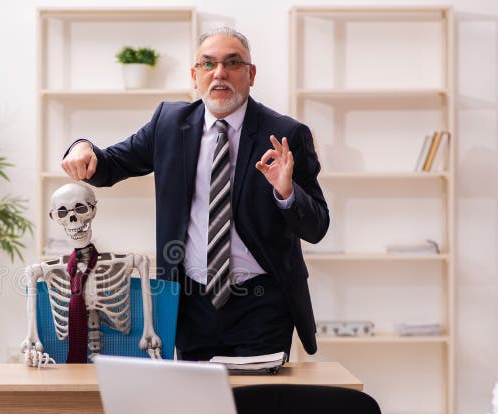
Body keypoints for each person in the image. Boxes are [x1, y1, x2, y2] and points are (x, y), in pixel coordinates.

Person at [60, 27, 329, 360]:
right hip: (190, 304)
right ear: (194, 75)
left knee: (258, 408)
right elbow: (111, 164)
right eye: (208, 64)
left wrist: (287, 192)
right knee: (196, 407)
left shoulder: (286, 134)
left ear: (251, 73)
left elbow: (317, 227)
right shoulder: (168, 124)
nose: (219, 73)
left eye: (232, 63)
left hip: (262, 306)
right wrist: (82, 146)